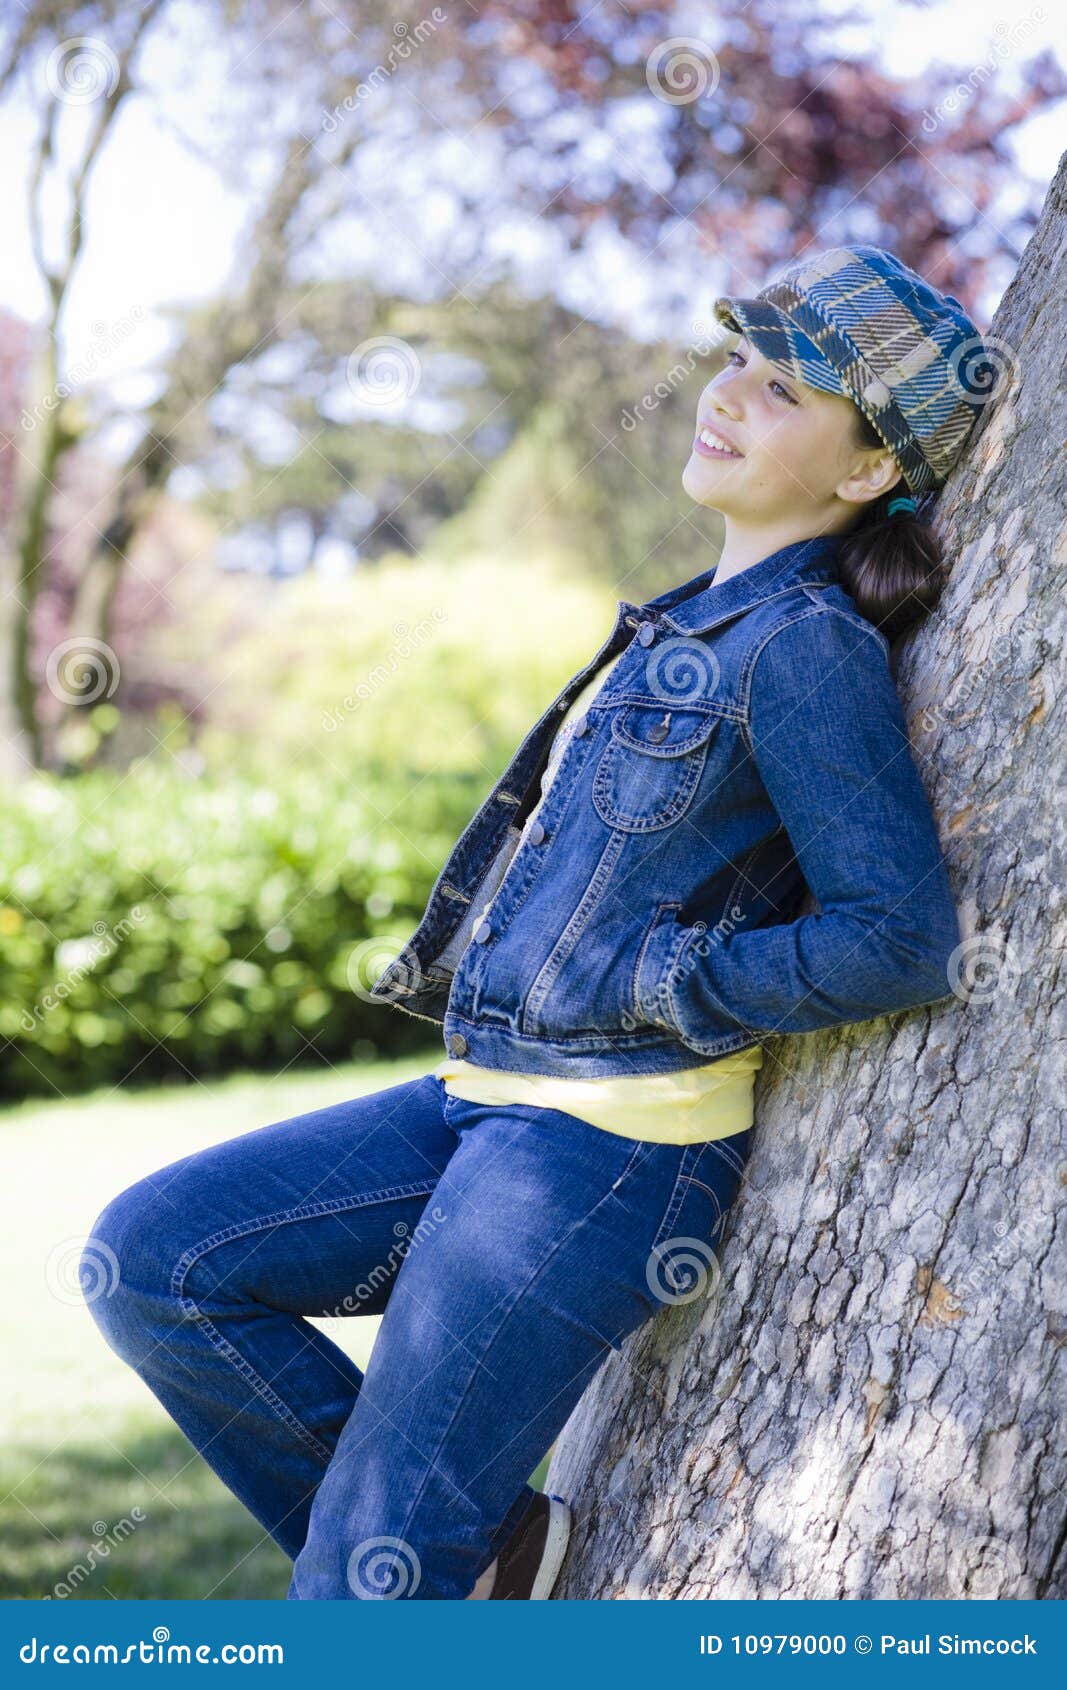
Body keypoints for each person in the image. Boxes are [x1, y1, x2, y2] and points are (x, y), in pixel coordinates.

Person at [83, 246, 997, 1601]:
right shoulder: (693, 619)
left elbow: (899, 936)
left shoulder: (806, 647)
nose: (732, 392)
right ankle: (486, 1555)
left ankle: (401, 1572)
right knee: (155, 1259)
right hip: (483, 1101)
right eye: (736, 359)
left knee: (359, 1585)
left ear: (867, 472)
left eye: (787, 387)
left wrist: (659, 974)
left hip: (606, 1152)